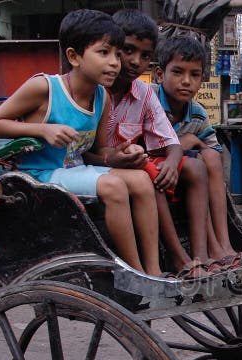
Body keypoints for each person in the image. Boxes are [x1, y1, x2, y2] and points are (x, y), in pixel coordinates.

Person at [0, 9, 162, 276]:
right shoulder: (45, 88)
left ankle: (154, 270)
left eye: (116, 54)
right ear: (74, 56)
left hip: (73, 172)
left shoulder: (102, 96)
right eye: (104, 53)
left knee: (141, 180)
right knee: (113, 186)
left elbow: (97, 151)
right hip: (37, 177)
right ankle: (135, 273)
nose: (114, 62)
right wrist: (43, 130)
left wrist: (122, 153)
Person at [84, 9, 212, 278]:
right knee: (148, 175)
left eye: (144, 55)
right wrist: (112, 159)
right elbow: (82, 154)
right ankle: (174, 260)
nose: (134, 61)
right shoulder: (92, 90)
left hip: (132, 165)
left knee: (196, 167)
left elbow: (171, 142)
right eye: (127, 51)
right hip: (102, 170)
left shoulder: (142, 93)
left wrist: (173, 163)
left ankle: (201, 258)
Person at [153, 34, 242, 267]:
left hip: (191, 177)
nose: (186, 81)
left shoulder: (197, 112)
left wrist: (194, 141)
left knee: (211, 157)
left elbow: (213, 151)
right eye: (178, 72)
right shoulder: (149, 101)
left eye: (194, 75)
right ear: (160, 74)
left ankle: (223, 245)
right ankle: (210, 249)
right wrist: (174, 145)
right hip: (161, 175)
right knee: (198, 164)